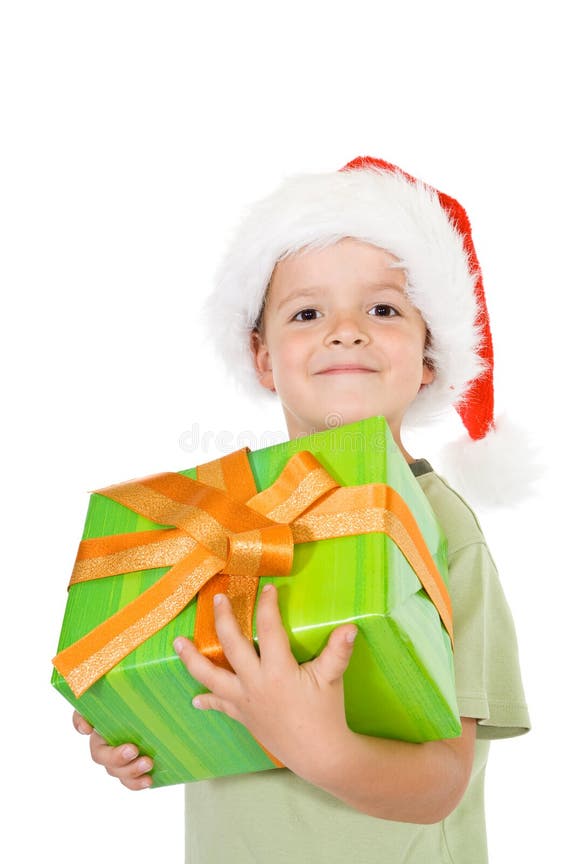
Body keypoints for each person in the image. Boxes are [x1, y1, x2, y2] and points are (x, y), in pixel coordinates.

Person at [73, 157, 530, 863]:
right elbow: (199, 686)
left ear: (430, 357)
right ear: (262, 357)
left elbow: (442, 782)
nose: (345, 331)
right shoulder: (224, 521)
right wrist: (143, 727)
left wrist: (318, 747)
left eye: (383, 309)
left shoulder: (444, 528)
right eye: (307, 312)